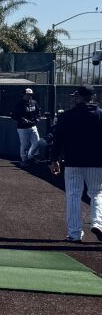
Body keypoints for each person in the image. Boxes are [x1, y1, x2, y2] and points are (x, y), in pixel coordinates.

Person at [47, 85, 102, 243]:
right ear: (93, 97)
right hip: (97, 163)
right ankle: (98, 222)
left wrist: (54, 159)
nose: (73, 98)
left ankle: (75, 233)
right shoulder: (100, 115)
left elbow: (58, 140)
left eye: (74, 96)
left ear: (78, 97)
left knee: (73, 195)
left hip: (73, 162)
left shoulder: (68, 116)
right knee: (97, 194)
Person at [10, 89, 43, 166]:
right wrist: (22, 120)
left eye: (30, 94)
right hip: (22, 128)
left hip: (33, 126)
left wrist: (38, 118)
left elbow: (38, 112)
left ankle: (31, 157)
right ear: (23, 95)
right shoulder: (19, 104)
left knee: (37, 142)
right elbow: (13, 115)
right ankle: (24, 160)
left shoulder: (34, 102)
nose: (29, 96)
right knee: (24, 144)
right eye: (27, 94)